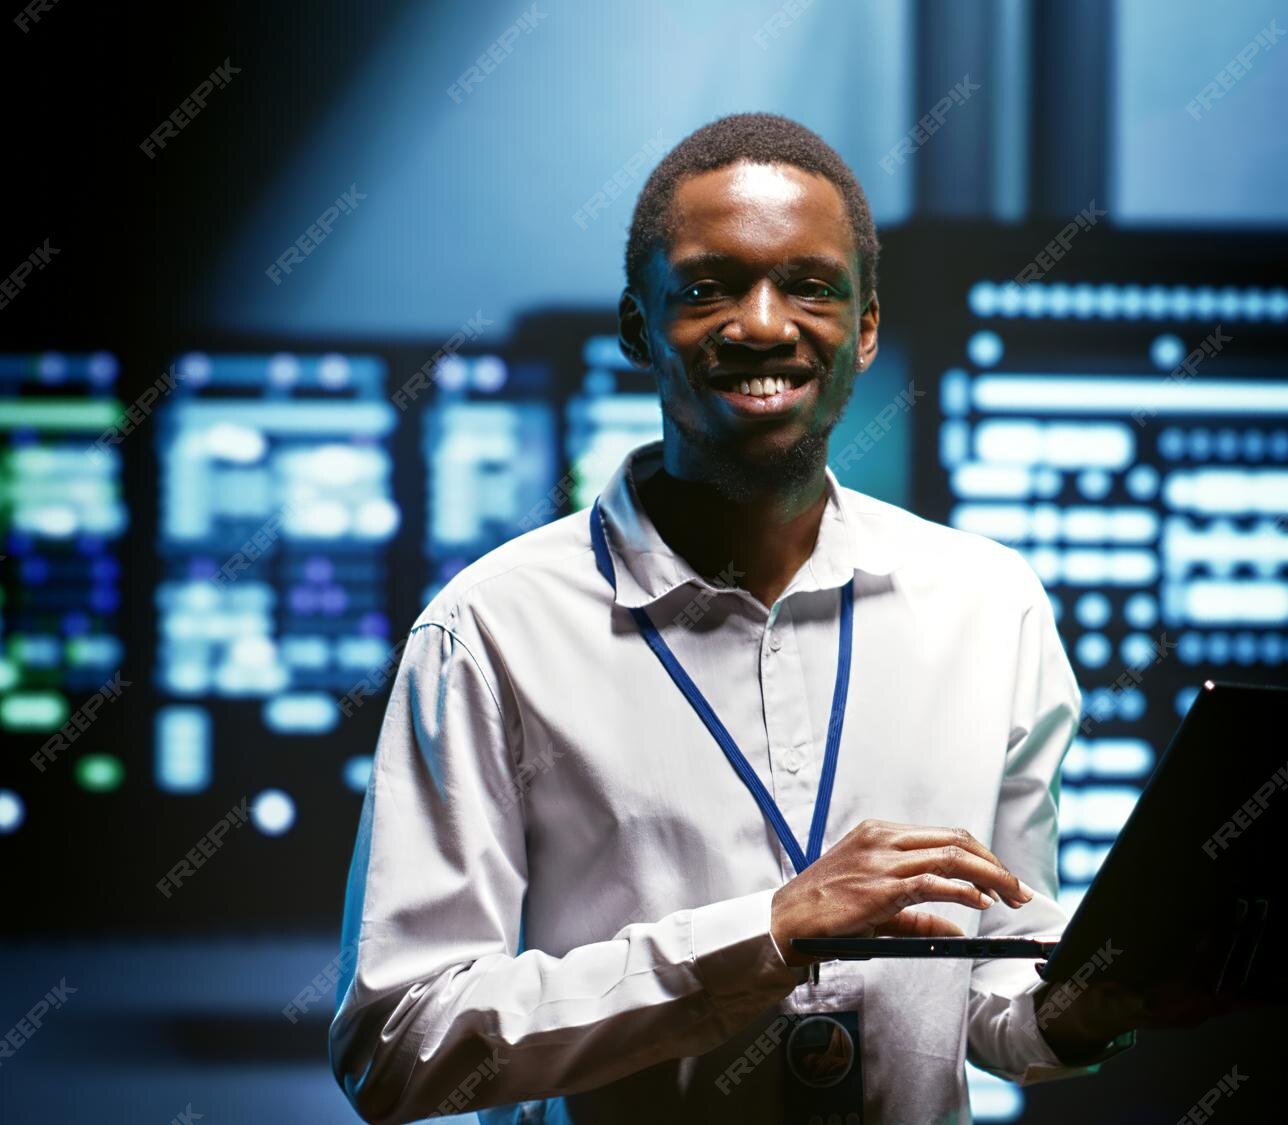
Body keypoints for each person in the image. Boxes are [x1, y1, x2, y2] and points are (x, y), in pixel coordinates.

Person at [329, 112, 1209, 1124]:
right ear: (636, 329)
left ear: (864, 329)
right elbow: (395, 1044)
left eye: (809, 287)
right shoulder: (490, 631)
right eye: (709, 288)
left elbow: (990, 994)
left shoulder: (988, 604)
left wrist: (1090, 1008)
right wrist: (769, 933)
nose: (761, 324)